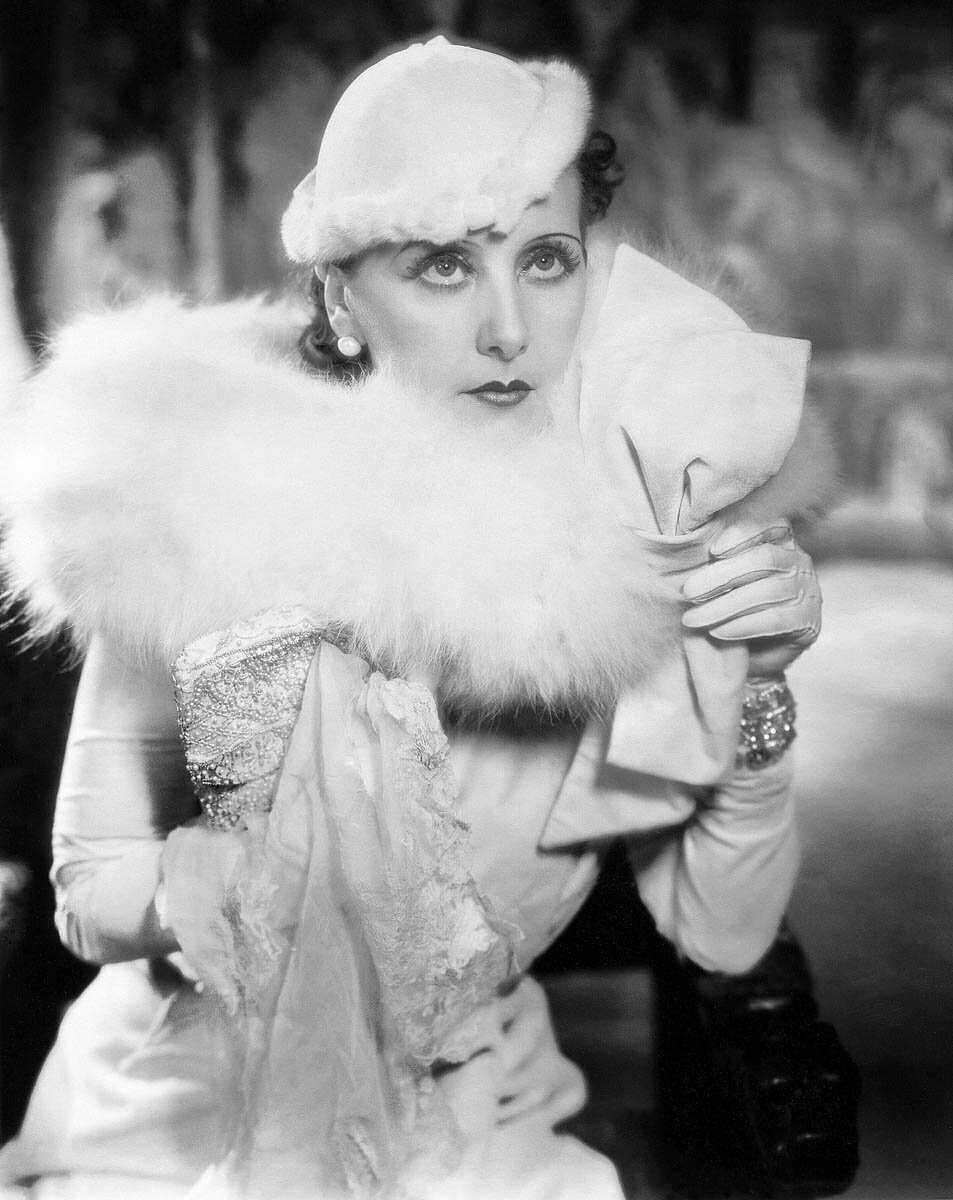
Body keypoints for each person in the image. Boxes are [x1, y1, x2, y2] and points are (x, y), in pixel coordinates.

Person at [0, 36, 842, 1200]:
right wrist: (250, 884)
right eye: (443, 268)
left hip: (473, 1111)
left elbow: (724, 930)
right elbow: (87, 893)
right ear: (342, 299)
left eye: (542, 261)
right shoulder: (201, 512)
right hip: (183, 1115)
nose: (507, 329)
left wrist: (755, 692)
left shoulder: (636, 532)